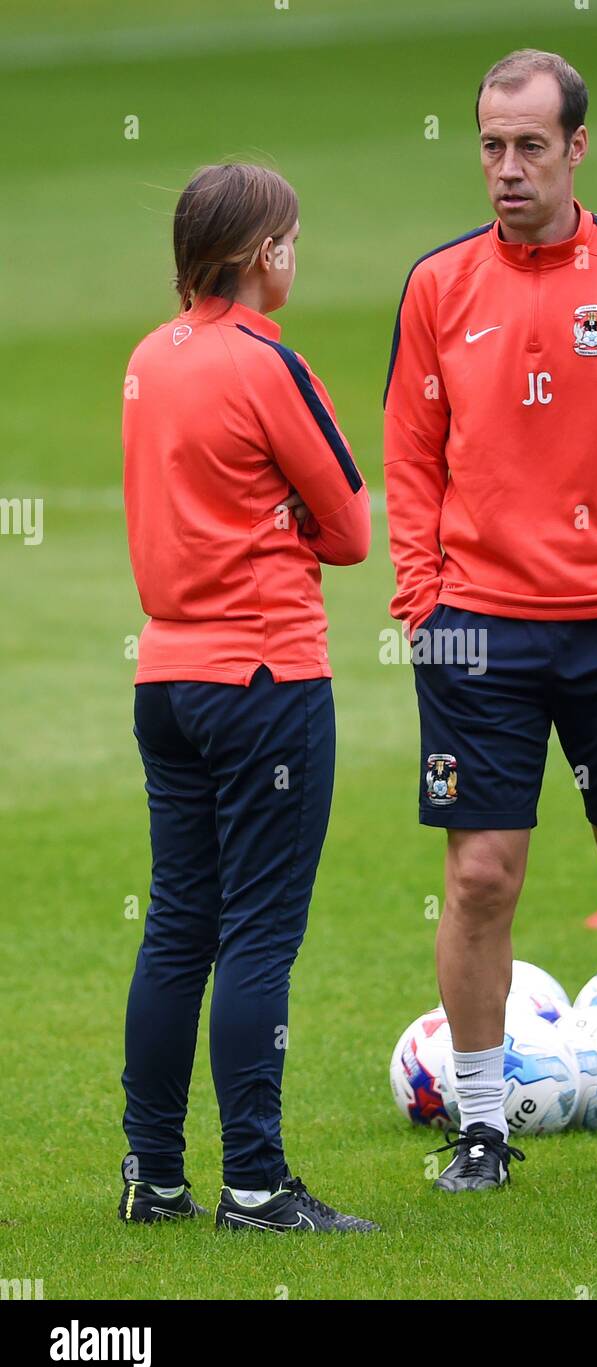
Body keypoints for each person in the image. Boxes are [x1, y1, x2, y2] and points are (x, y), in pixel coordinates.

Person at [384, 51, 597, 1189]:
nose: (506, 168)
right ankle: (480, 1129)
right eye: (490, 144)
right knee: (480, 875)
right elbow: (408, 458)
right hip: (475, 630)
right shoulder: (437, 286)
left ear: (576, 148)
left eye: (530, 145)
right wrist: (421, 605)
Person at [120, 162, 376, 1232]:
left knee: (177, 927)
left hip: (166, 679)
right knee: (259, 936)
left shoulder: (149, 356)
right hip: (265, 677)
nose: (295, 255)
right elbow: (354, 532)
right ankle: (259, 1185)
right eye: (291, 239)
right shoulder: (267, 362)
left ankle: (155, 1178)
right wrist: (282, 528)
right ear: (262, 252)